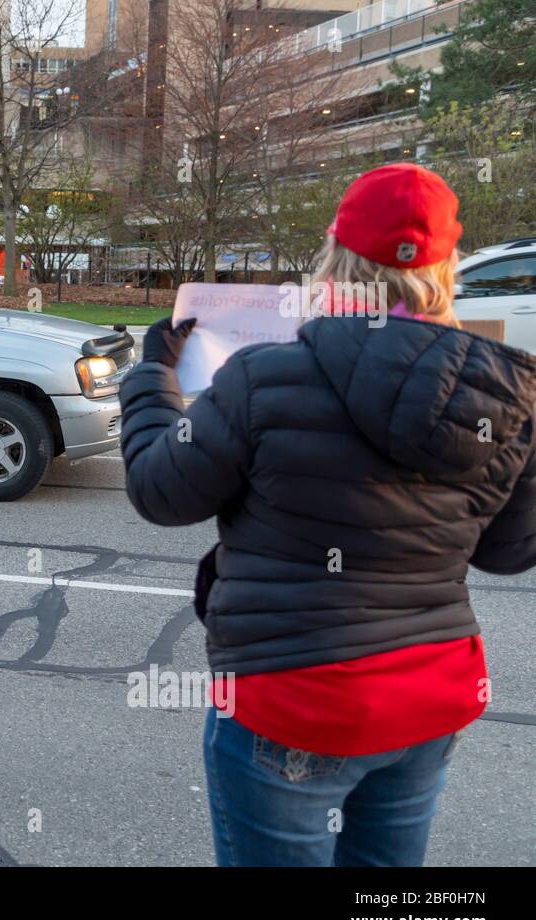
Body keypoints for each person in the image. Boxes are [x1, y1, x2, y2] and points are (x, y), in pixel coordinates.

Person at [119, 162, 536, 866]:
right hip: (430, 697)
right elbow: (507, 551)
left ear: (335, 257)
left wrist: (150, 377)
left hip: (294, 700)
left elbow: (161, 492)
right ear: (446, 268)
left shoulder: (264, 378)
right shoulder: (510, 392)